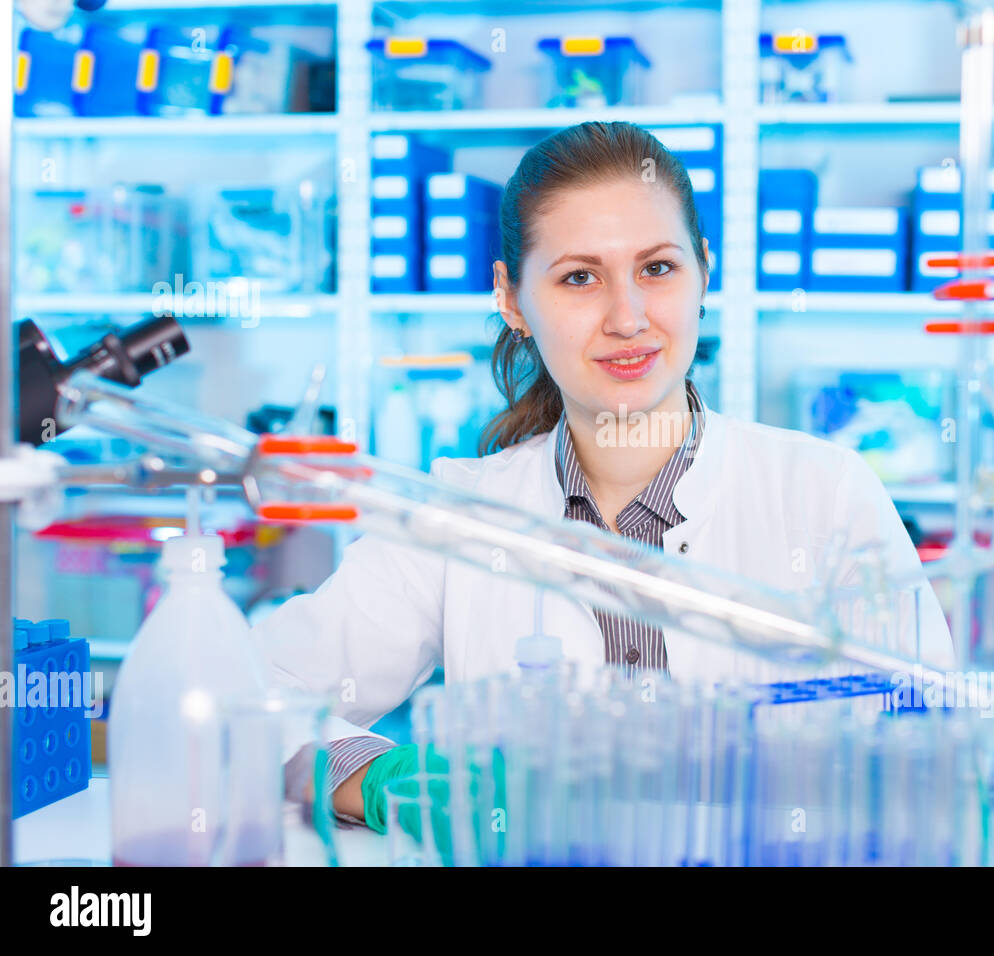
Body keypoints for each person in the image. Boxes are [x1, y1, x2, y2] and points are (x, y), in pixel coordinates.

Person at [251, 121, 954, 832]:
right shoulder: (462, 513)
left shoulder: (823, 491)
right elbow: (249, 695)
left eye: (657, 269)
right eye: (579, 277)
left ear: (703, 272)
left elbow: (932, 739)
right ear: (512, 299)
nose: (628, 317)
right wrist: (382, 779)